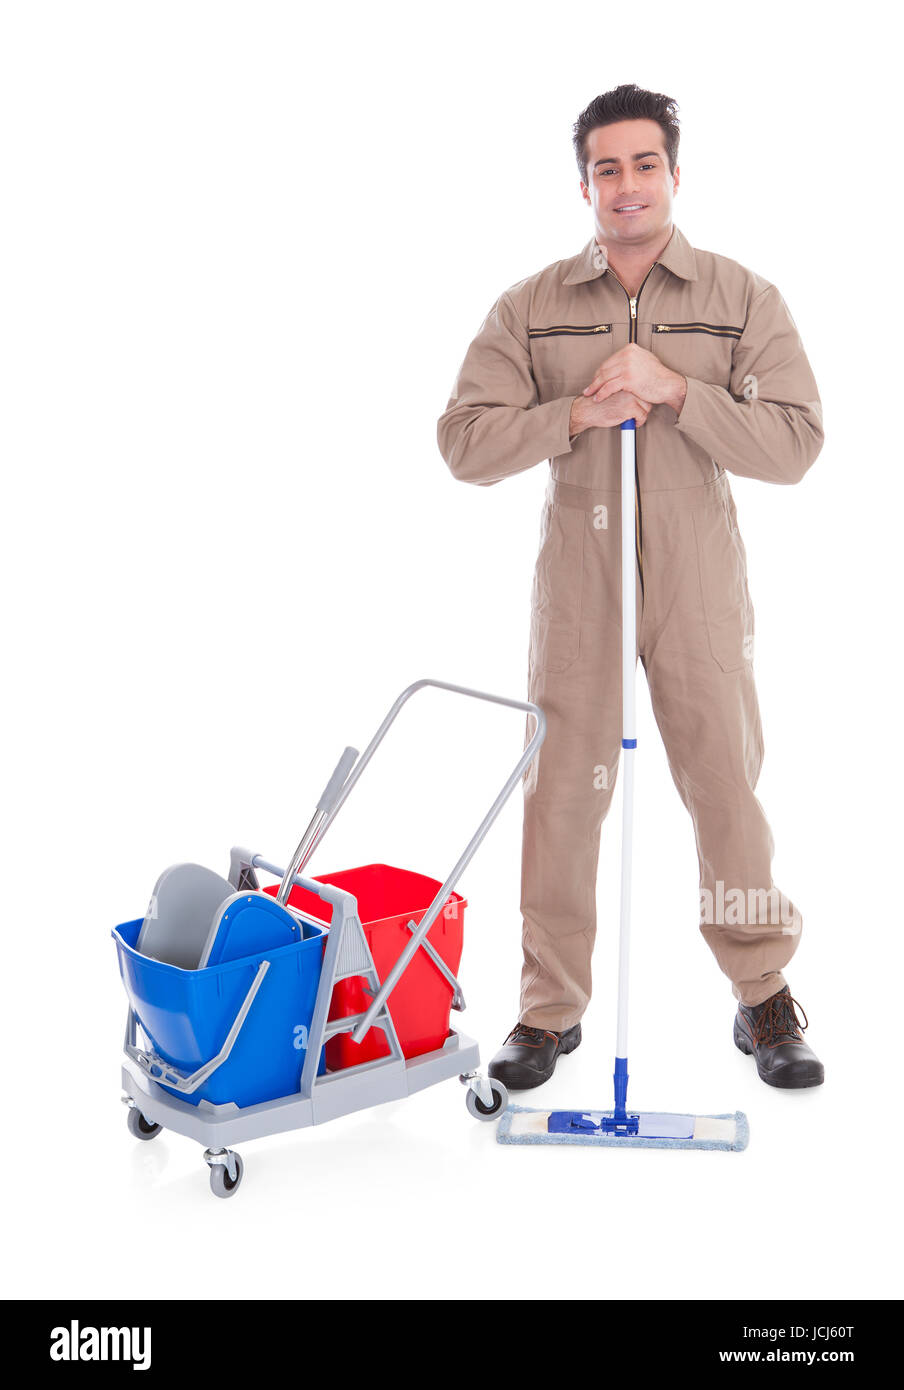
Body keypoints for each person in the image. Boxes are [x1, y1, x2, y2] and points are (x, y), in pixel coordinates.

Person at [436, 83, 825, 1092]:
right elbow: (465, 443)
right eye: (606, 167)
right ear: (584, 185)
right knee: (562, 790)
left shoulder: (741, 298)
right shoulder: (531, 307)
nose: (626, 185)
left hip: (696, 577)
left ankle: (763, 992)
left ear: (673, 175)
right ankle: (547, 1006)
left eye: (643, 163)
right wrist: (571, 413)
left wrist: (676, 391)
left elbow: (795, 443)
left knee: (725, 787)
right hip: (581, 576)